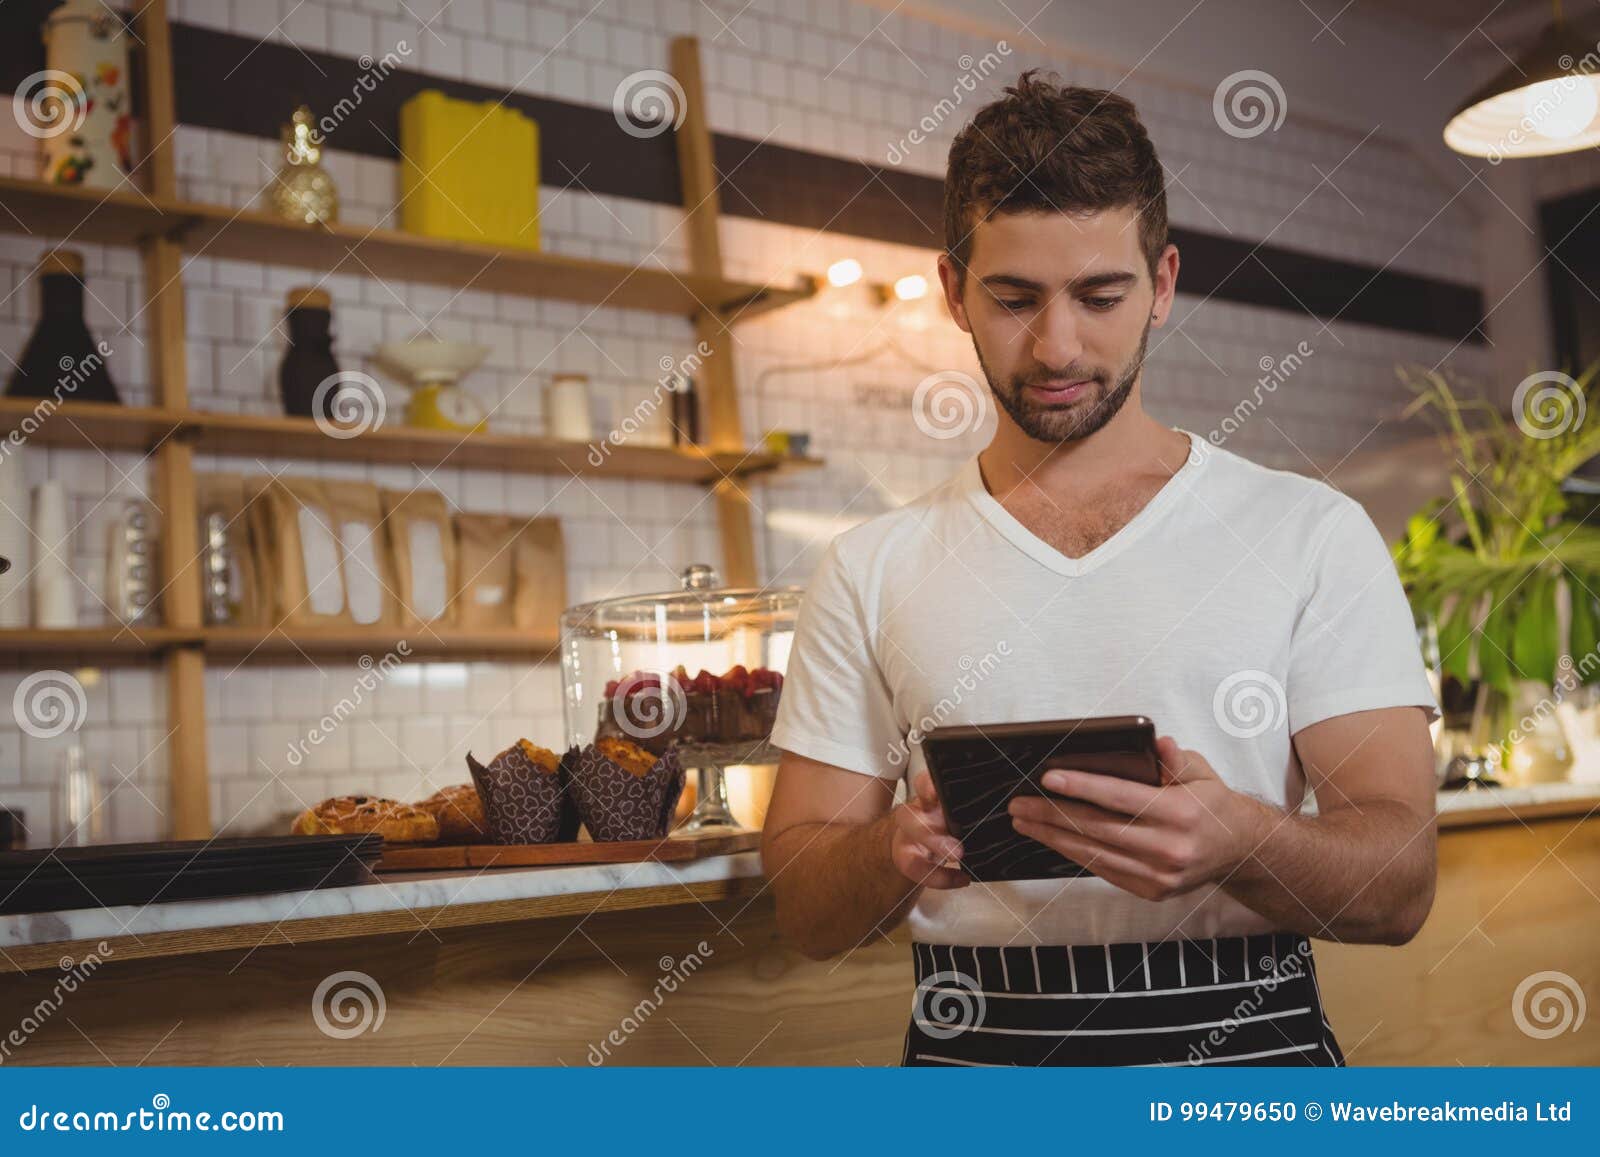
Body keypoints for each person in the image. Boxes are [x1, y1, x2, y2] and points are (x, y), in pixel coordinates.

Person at [760, 71, 1440, 1068]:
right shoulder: (867, 568)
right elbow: (806, 907)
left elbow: (1402, 885)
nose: (1057, 344)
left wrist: (1242, 839)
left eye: (1099, 294)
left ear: (1161, 285)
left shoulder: (1309, 532)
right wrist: (892, 849)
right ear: (953, 290)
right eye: (1013, 297)